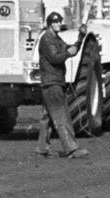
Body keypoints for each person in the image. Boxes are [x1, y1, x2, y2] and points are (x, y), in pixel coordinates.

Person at [36, 11, 88, 159]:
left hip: (51, 82)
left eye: (60, 22)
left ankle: (42, 149)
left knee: (47, 117)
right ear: (50, 24)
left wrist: (81, 37)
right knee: (61, 115)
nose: (59, 24)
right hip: (53, 82)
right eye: (56, 22)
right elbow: (55, 58)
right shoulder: (47, 39)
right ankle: (71, 149)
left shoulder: (56, 38)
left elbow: (72, 50)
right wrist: (67, 54)